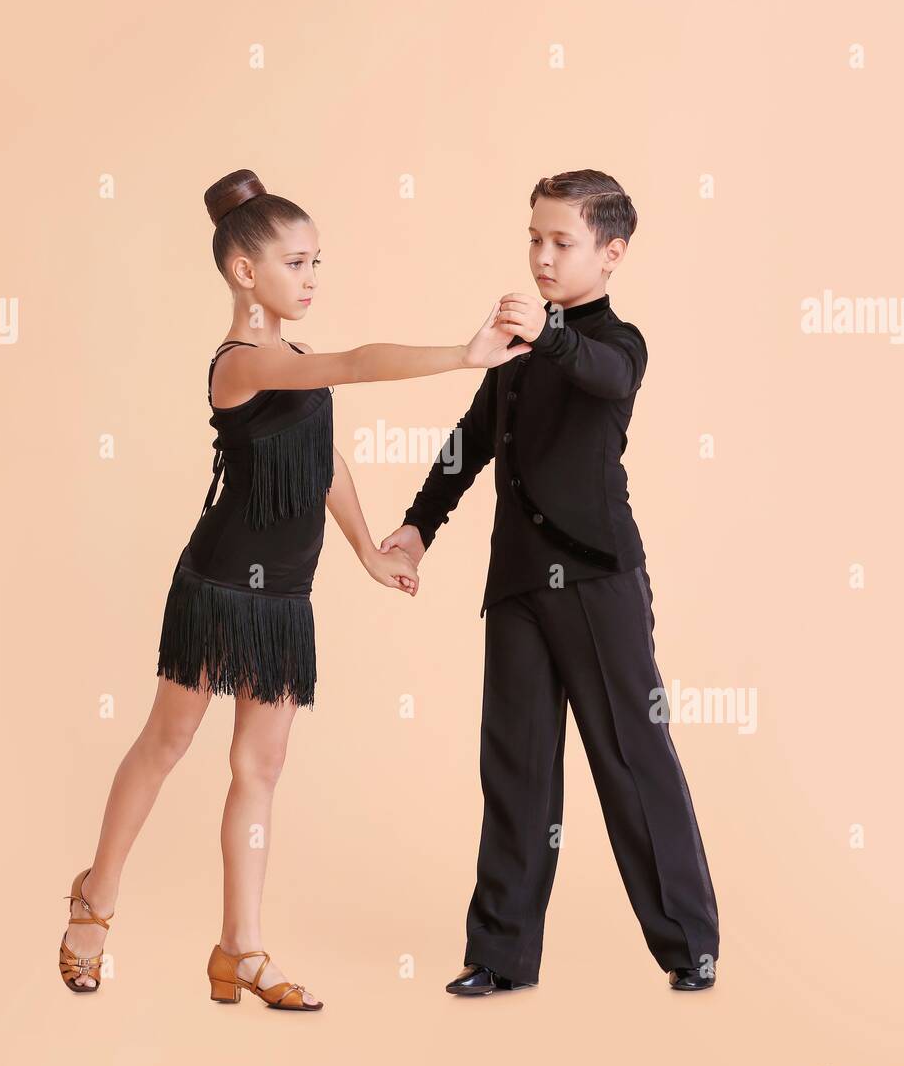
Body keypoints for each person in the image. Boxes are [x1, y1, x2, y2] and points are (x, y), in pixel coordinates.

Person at [58, 168, 529, 1011]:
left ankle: (241, 949)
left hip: (283, 597)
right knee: (164, 744)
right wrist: (461, 356)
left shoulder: (295, 361)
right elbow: (352, 365)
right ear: (246, 273)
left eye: (318, 264)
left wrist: (365, 551)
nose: (311, 281)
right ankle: (93, 902)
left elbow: (325, 461)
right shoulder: (243, 363)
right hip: (216, 589)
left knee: (259, 768)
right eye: (297, 263)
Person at [382, 169, 720, 995]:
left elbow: (600, 375)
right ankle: (499, 955)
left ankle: (689, 945)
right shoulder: (517, 351)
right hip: (518, 585)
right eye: (533, 237)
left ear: (611, 254)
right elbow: (471, 441)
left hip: (600, 581)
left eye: (560, 242)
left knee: (631, 758)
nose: (540, 255)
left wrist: (548, 333)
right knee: (516, 767)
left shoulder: (617, 344)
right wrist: (417, 527)